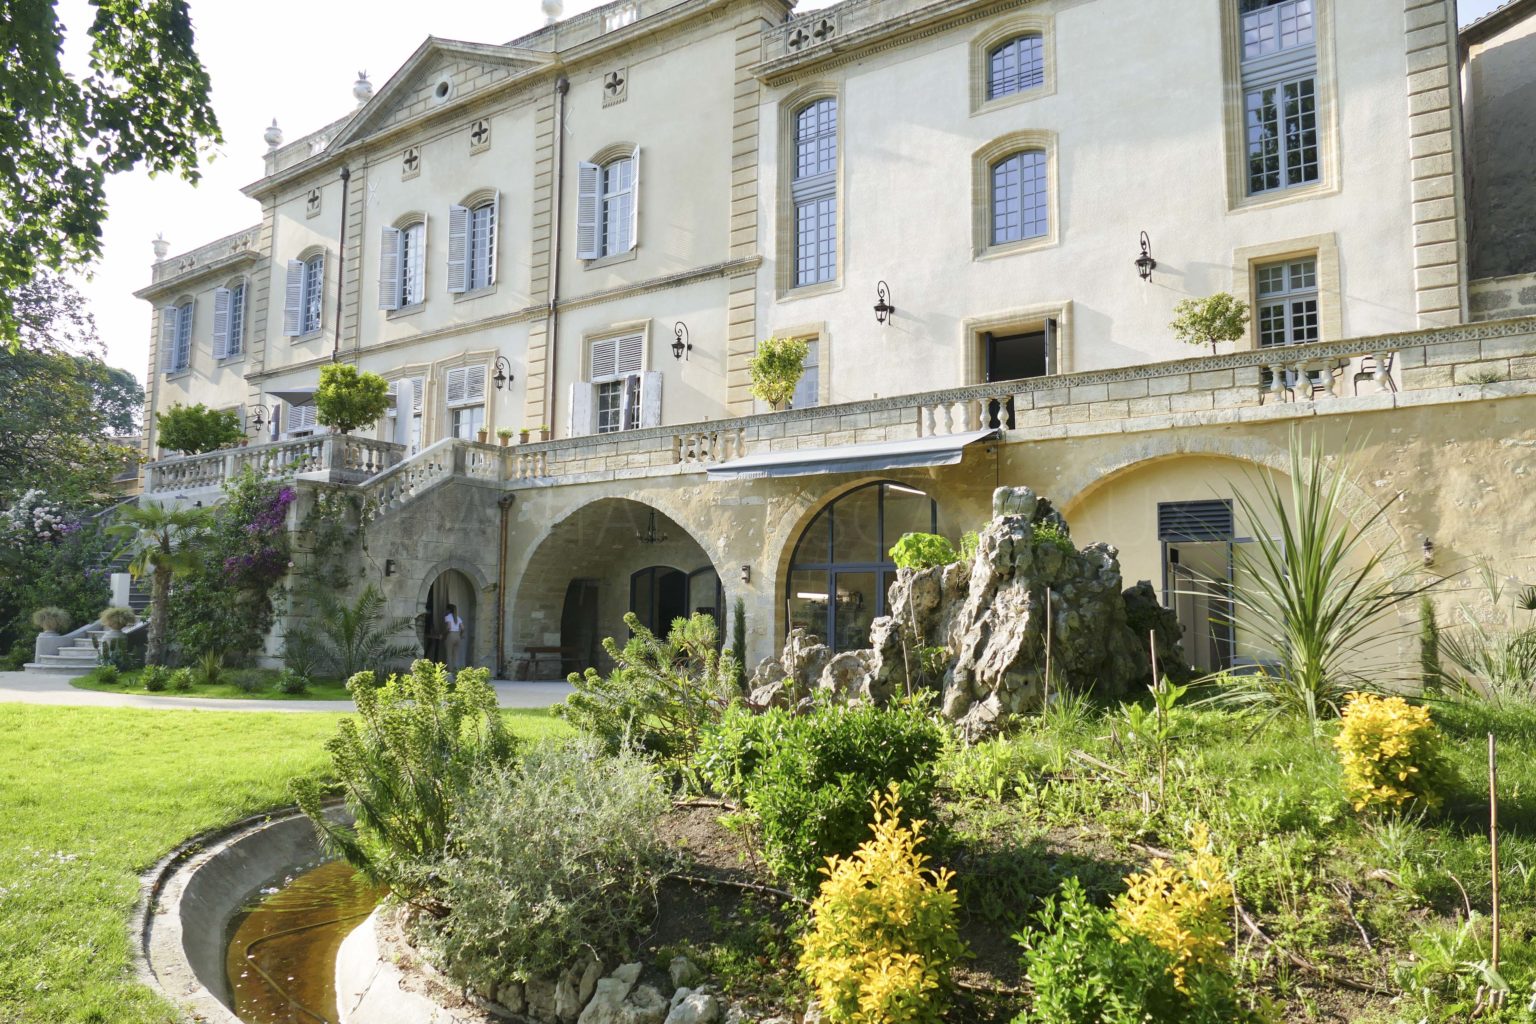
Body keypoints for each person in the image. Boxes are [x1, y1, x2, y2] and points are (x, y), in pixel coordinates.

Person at [444, 603, 464, 671]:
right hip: (457, 636)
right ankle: (456, 670)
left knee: (449, 654)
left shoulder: (448, 617)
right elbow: (462, 628)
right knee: (456, 655)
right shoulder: (458, 617)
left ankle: (450, 670)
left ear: (448, 610)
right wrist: (460, 635)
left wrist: (444, 634)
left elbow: (448, 627)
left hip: (451, 635)